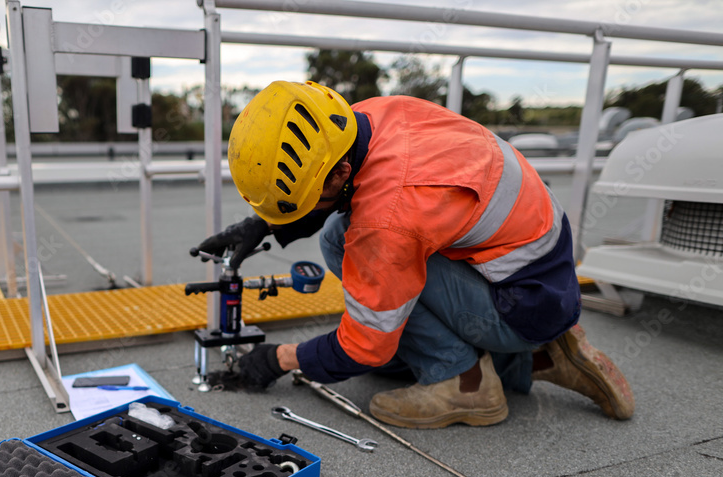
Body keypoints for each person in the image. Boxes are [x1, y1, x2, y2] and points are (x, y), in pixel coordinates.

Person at [197, 81, 634, 428]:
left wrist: (276, 360)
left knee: (345, 246)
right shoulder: (375, 114)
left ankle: (464, 384)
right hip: (544, 280)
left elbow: (364, 347)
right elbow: (359, 197)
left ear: (341, 174)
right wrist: (262, 224)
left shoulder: (387, 220)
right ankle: (544, 356)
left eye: (311, 198)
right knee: (345, 238)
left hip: (520, 305)